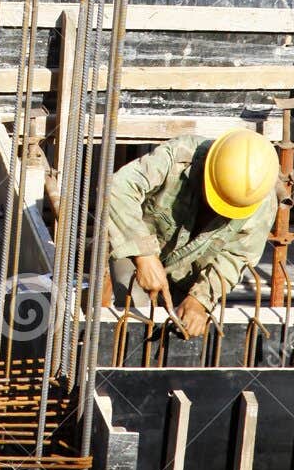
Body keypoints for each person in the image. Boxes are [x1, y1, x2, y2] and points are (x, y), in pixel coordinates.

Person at [106, 128, 281, 338]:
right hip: (132, 249)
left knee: (180, 329)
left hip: (190, 277)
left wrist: (200, 300)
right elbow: (117, 188)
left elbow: (236, 256)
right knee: (136, 314)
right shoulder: (178, 156)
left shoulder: (261, 203)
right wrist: (144, 254)